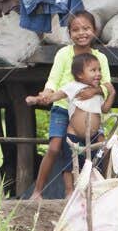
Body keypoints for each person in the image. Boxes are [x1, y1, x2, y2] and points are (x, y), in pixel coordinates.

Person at [28, 9, 113, 200]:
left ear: (95, 31)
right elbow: (53, 80)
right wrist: (46, 93)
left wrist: (96, 90)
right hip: (63, 107)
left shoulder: (101, 58)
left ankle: (102, 189)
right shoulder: (63, 54)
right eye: (76, 30)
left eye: (86, 28)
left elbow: (107, 85)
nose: (81, 33)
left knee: (102, 148)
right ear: (69, 33)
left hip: (88, 110)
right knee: (55, 147)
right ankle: (37, 191)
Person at [27, 53, 106, 193]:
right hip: (73, 133)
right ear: (80, 75)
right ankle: (69, 192)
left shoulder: (98, 91)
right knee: (69, 163)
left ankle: (93, 190)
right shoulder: (72, 86)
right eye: (93, 71)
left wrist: (110, 93)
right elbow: (55, 96)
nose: (98, 74)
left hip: (93, 135)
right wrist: (37, 99)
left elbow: (105, 108)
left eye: (99, 70)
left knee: (96, 161)